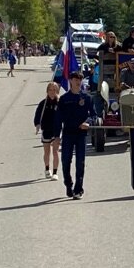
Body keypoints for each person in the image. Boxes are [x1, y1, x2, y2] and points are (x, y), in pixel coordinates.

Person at [59, 72, 92, 200]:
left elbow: (94, 115)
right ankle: (68, 184)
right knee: (66, 161)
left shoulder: (87, 98)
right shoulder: (64, 99)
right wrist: (56, 136)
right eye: (75, 79)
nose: (78, 82)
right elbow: (58, 118)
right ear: (70, 81)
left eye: (80, 79)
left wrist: (88, 122)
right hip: (67, 133)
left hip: (81, 134)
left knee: (80, 162)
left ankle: (78, 188)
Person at [34, 82, 63, 180]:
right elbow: (38, 115)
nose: (52, 92)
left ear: (57, 91)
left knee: (55, 151)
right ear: (47, 91)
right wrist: (37, 124)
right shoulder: (43, 103)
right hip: (46, 129)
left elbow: (65, 116)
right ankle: (47, 169)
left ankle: (55, 172)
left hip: (57, 130)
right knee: (47, 152)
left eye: (54, 90)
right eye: (50, 90)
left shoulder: (60, 103)